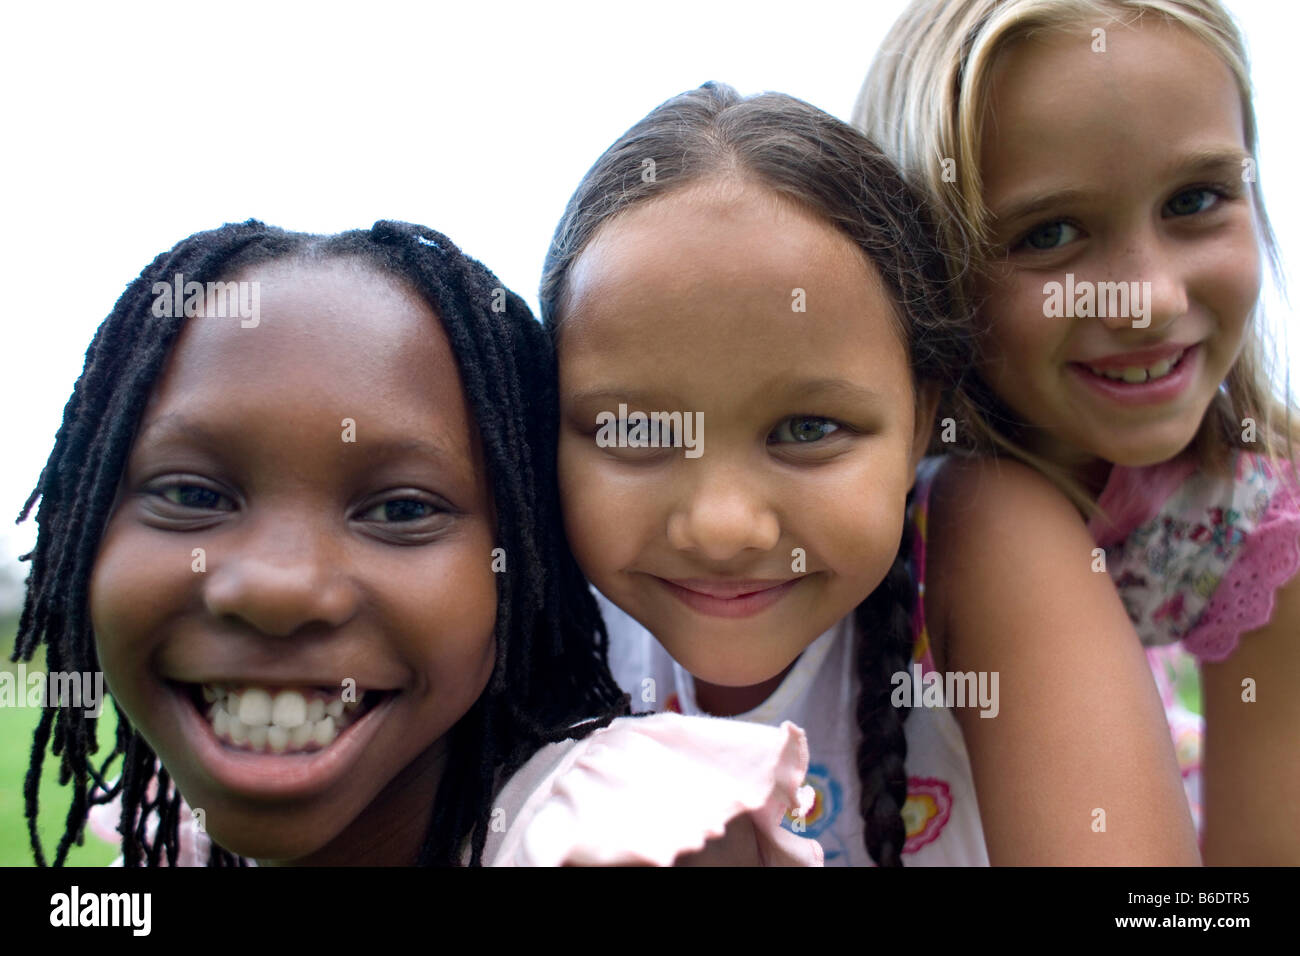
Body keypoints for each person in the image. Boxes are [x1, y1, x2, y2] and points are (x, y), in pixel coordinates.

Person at [14, 219, 820, 867]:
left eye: (401, 510)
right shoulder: (167, 843)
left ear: (523, 569)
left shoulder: (626, 841)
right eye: (193, 496)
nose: (277, 588)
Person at [540, 83, 1198, 865]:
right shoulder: (541, 617)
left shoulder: (987, 543)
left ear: (923, 417)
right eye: (637, 431)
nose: (721, 523)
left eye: (809, 430)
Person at [857, 0, 1300, 863]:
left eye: (1196, 199)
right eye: (1050, 234)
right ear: (929, 261)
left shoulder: (1248, 527)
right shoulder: (843, 503)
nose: (1151, 300)